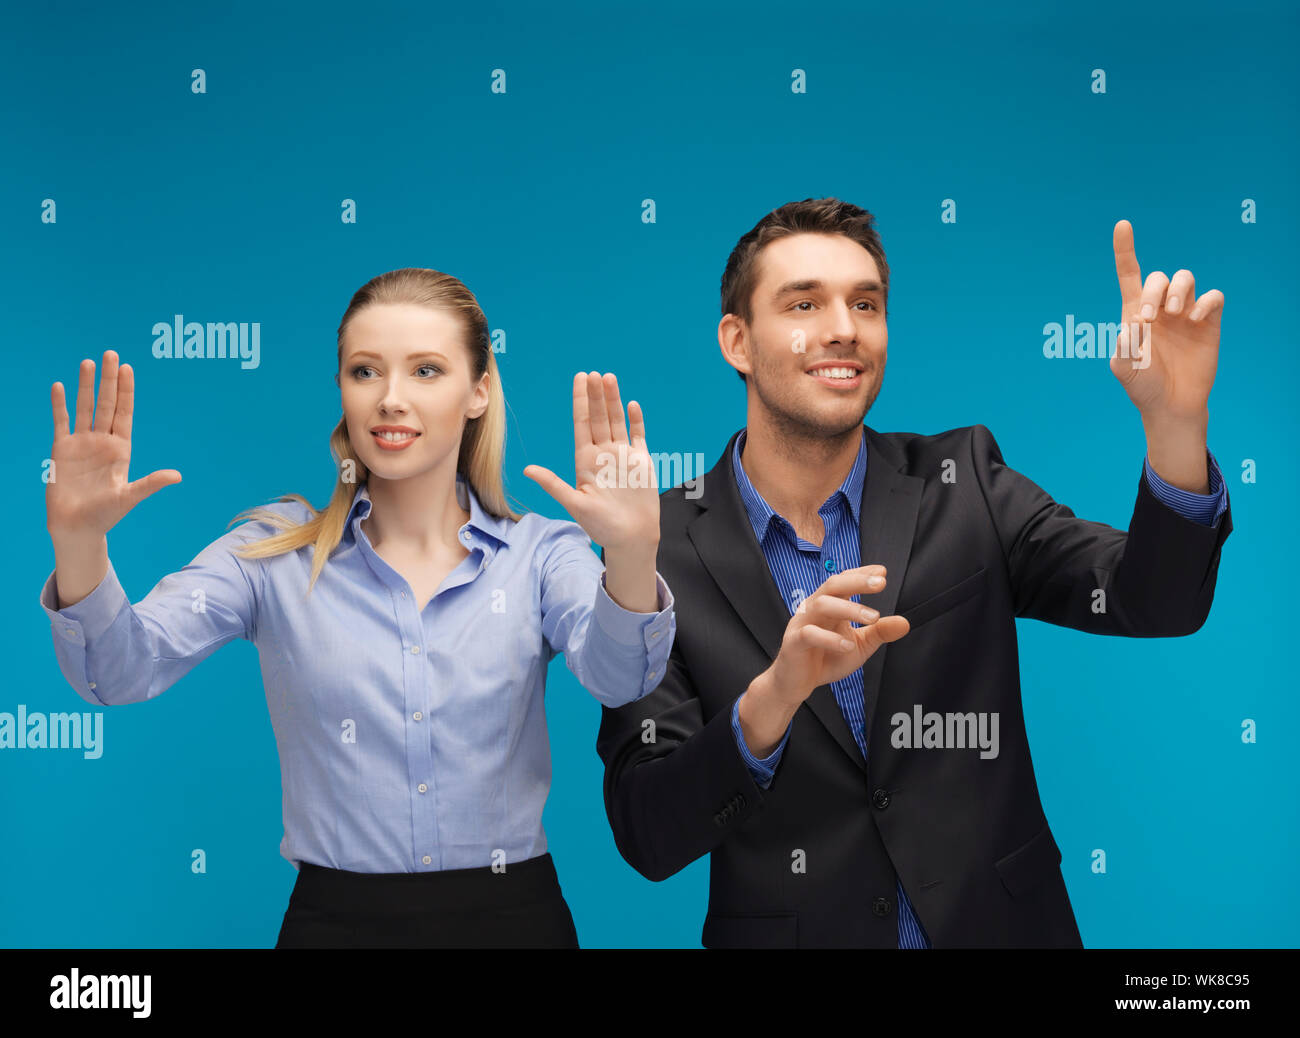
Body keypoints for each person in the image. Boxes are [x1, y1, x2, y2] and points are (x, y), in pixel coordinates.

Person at [595, 198, 1232, 948]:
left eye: (866, 303)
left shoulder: (966, 483)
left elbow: (1153, 602)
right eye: (805, 302)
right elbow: (649, 832)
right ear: (737, 341)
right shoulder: (659, 550)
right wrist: (774, 696)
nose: (844, 327)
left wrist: (1176, 426)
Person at [39, 267, 675, 948]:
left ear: (478, 391)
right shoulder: (272, 555)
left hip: (514, 922)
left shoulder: (540, 555)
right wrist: (79, 543)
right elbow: (118, 673)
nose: (390, 399)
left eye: (426, 371)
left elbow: (621, 679)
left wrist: (632, 554)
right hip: (335, 926)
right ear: (342, 388)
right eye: (365, 371)